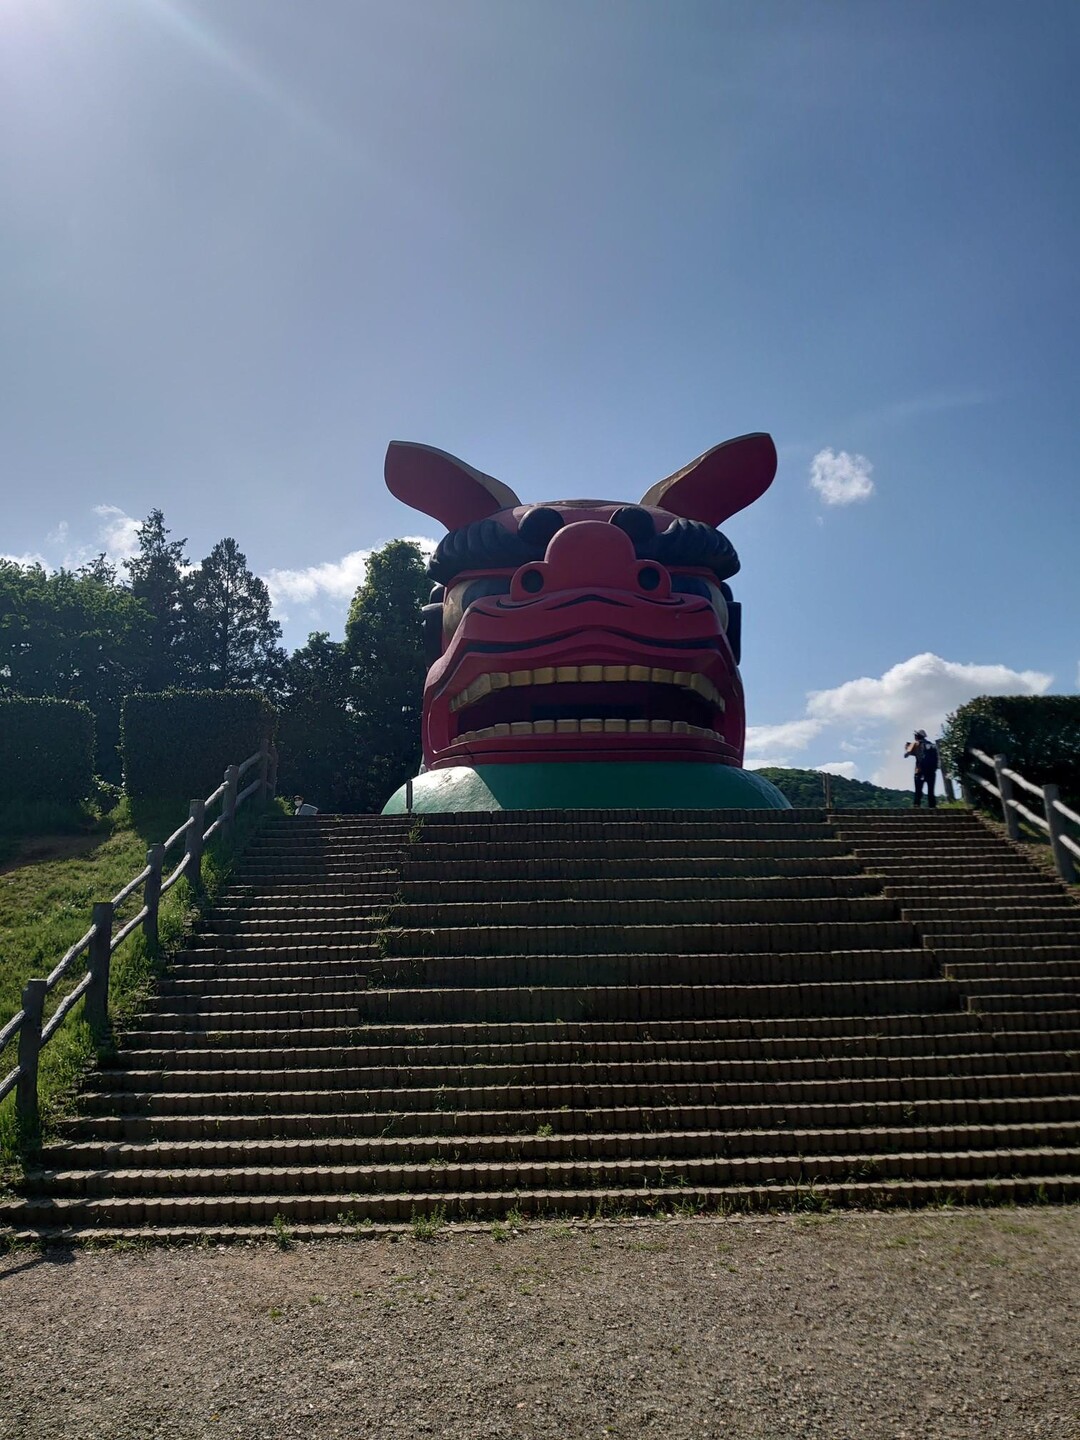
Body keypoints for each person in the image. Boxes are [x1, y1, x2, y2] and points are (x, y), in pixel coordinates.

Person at [904, 730, 938, 808]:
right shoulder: (931, 745)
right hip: (931, 771)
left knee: (918, 791)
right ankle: (932, 807)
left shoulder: (915, 744)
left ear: (917, 736)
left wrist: (907, 747)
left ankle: (917, 806)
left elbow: (906, 755)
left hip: (919, 771)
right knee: (931, 791)